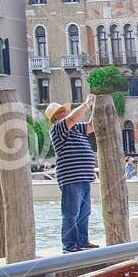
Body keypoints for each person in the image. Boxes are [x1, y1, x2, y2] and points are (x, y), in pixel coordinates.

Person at [46, 100, 97, 252]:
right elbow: (73, 118)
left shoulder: (76, 129)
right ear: (56, 117)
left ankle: (82, 241)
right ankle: (69, 245)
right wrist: (87, 104)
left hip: (83, 176)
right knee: (71, 212)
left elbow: (92, 125)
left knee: (84, 212)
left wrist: (95, 106)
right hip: (71, 176)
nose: (66, 112)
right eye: (62, 111)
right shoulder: (57, 128)